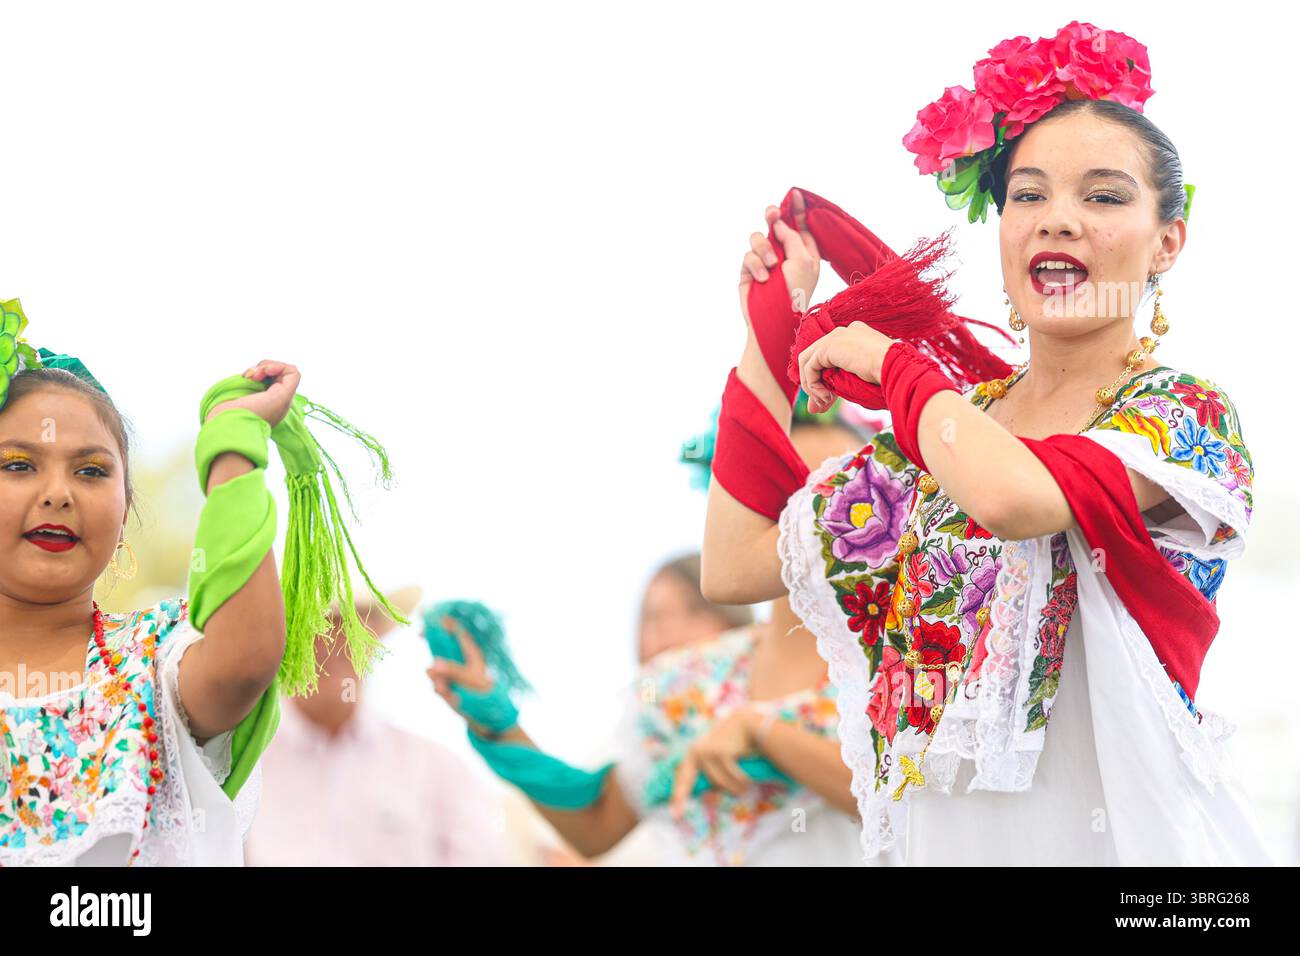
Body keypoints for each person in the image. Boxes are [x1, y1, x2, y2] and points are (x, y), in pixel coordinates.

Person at [701, 22, 1272, 865]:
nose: (1058, 221)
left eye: (1105, 197)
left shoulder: (1179, 414)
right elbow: (734, 564)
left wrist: (892, 363)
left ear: (1168, 242)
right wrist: (771, 325)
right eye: (1029, 196)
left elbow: (1015, 498)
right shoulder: (938, 440)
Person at [0, 300, 400, 865]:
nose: (58, 493)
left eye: (91, 470)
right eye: (18, 465)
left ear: (124, 515)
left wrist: (231, 449)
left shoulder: (153, 656)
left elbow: (244, 660)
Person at [428, 412, 876, 867]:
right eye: (801, 494)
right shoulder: (684, 683)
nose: (831, 517)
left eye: (853, 489)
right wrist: (496, 722)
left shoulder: (909, 674)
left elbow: (911, 803)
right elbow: (597, 825)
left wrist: (763, 733)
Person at [244, 587, 510, 866]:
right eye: (312, 626)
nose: (332, 640)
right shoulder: (239, 765)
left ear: (375, 637)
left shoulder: (439, 769)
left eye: (349, 624)